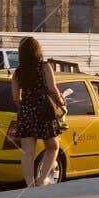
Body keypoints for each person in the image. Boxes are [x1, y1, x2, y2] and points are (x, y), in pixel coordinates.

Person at [9, 36, 65, 186]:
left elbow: (15, 98)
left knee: (28, 152)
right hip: (44, 111)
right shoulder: (44, 67)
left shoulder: (18, 73)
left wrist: (24, 108)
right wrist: (61, 102)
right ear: (37, 50)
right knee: (53, 147)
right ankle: (42, 179)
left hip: (27, 112)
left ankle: (30, 184)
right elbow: (53, 89)